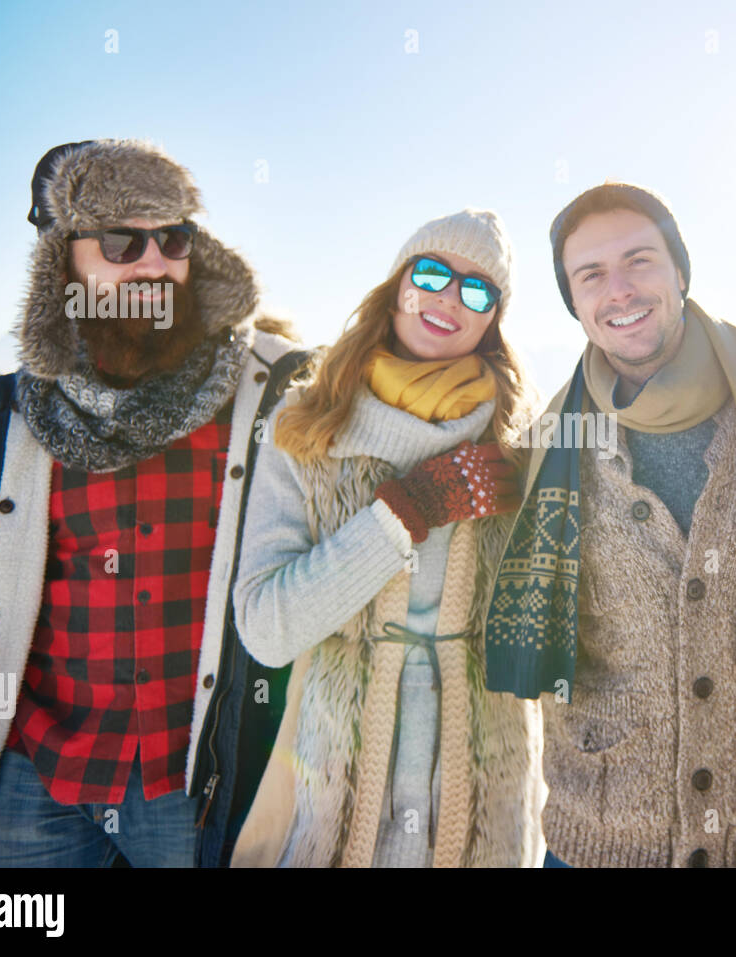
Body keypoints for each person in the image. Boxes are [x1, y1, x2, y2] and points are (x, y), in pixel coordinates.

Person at [0, 139, 310, 867]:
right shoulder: (23, 416)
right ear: (64, 262)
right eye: (123, 241)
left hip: (193, 779)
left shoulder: (268, 392)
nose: (153, 261)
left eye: (174, 237)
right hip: (39, 770)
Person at [484, 183, 736, 867]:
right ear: (574, 302)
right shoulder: (549, 444)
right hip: (596, 844)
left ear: (681, 273)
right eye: (591, 274)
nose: (620, 289)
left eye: (639, 260)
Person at [229, 209, 545, 867]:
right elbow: (267, 628)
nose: (450, 297)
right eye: (432, 272)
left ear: (493, 320)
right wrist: (403, 514)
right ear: (398, 285)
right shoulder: (307, 425)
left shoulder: (521, 444)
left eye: (478, 290)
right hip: (335, 803)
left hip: (485, 804)